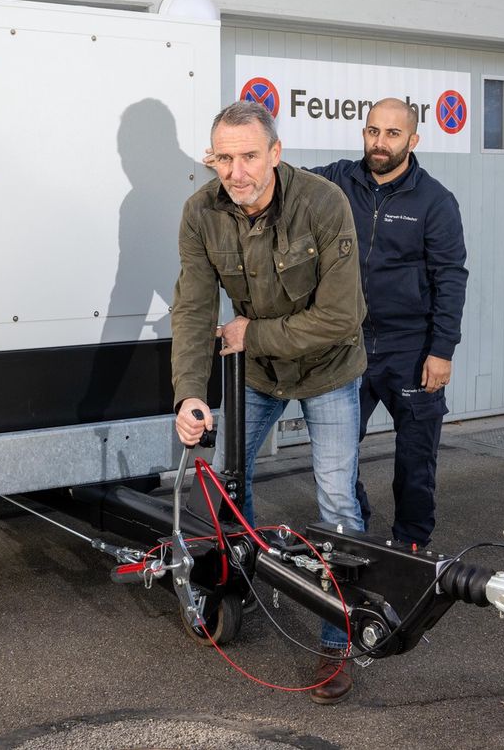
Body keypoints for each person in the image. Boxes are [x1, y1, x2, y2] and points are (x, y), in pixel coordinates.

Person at [171, 100, 366, 703]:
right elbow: (195, 307)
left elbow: (341, 317)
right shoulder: (202, 212)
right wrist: (190, 395)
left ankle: (338, 644)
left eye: (249, 156)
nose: (236, 171)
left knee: (336, 503)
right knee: (225, 483)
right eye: (224, 158)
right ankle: (243, 582)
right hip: (256, 374)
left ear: (275, 154)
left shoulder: (322, 203)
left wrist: (252, 333)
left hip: (329, 370)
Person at [309, 97, 468, 550]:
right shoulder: (338, 180)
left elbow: (450, 278)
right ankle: (356, 526)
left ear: (413, 140)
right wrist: (235, 163)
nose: (380, 143)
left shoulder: (435, 200)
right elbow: (284, 181)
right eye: (373, 131)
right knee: (339, 453)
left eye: (392, 134)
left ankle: (411, 546)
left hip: (411, 349)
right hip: (348, 345)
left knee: (415, 460)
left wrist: (442, 351)